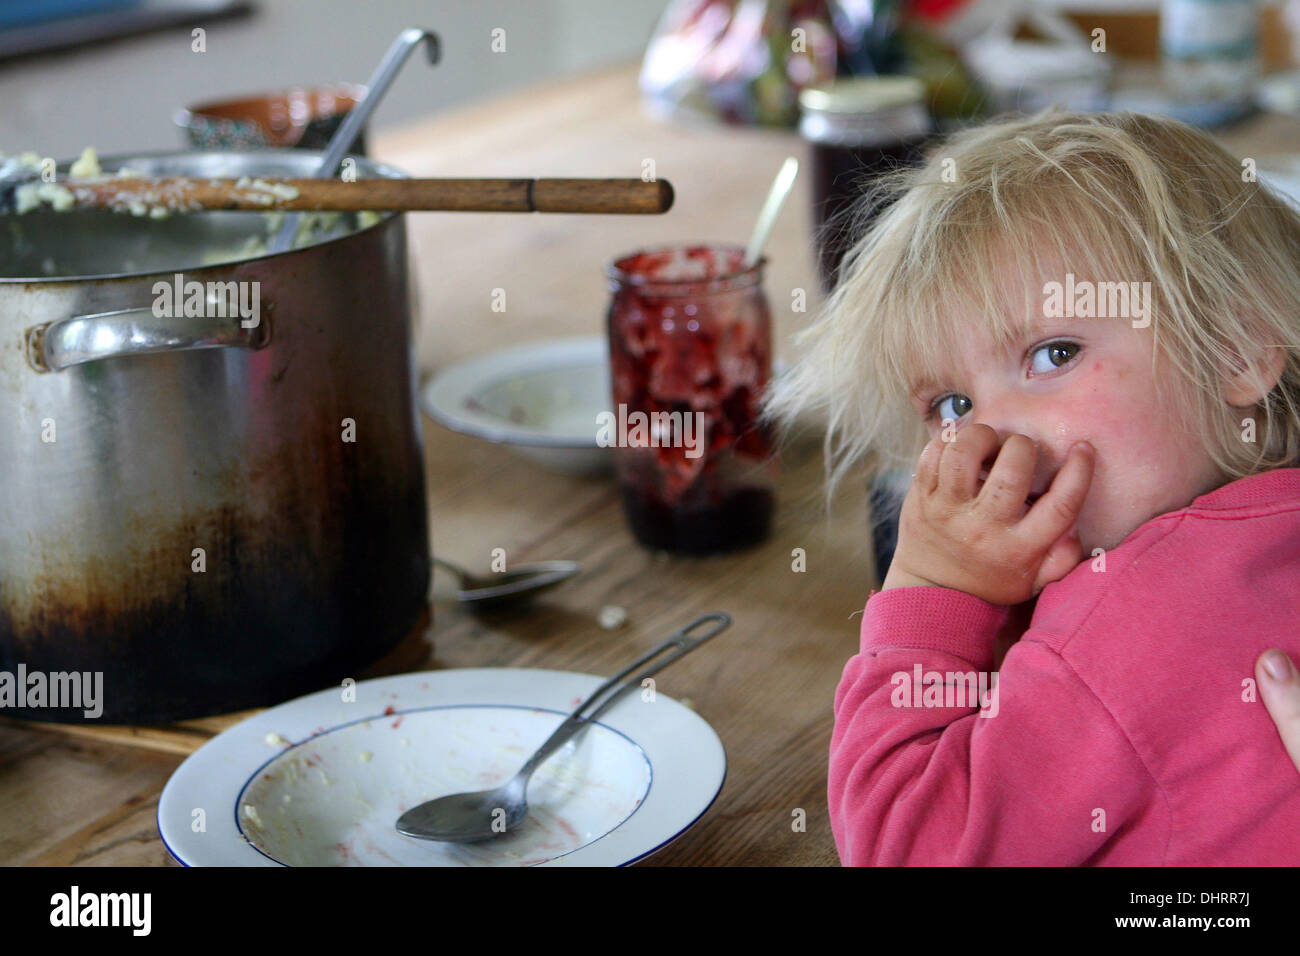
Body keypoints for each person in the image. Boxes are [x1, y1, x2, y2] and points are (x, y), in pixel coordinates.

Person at [764, 108, 1300, 864]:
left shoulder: (1123, 628)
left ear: (1236, 346)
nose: (990, 439)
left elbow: (900, 850)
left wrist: (932, 592)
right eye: (953, 406)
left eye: (1054, 354)